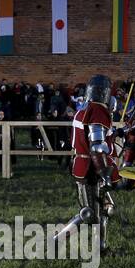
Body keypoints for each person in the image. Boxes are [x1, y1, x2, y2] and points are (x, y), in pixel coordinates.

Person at [57, 74, 117, 252]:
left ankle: (101, 247)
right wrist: (105, 174)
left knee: (105, 209)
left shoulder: (84, 109)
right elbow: (96, 147)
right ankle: (57, 240)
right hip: (92, 168)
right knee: (89, 214)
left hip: (86, 165)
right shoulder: (97, 111)